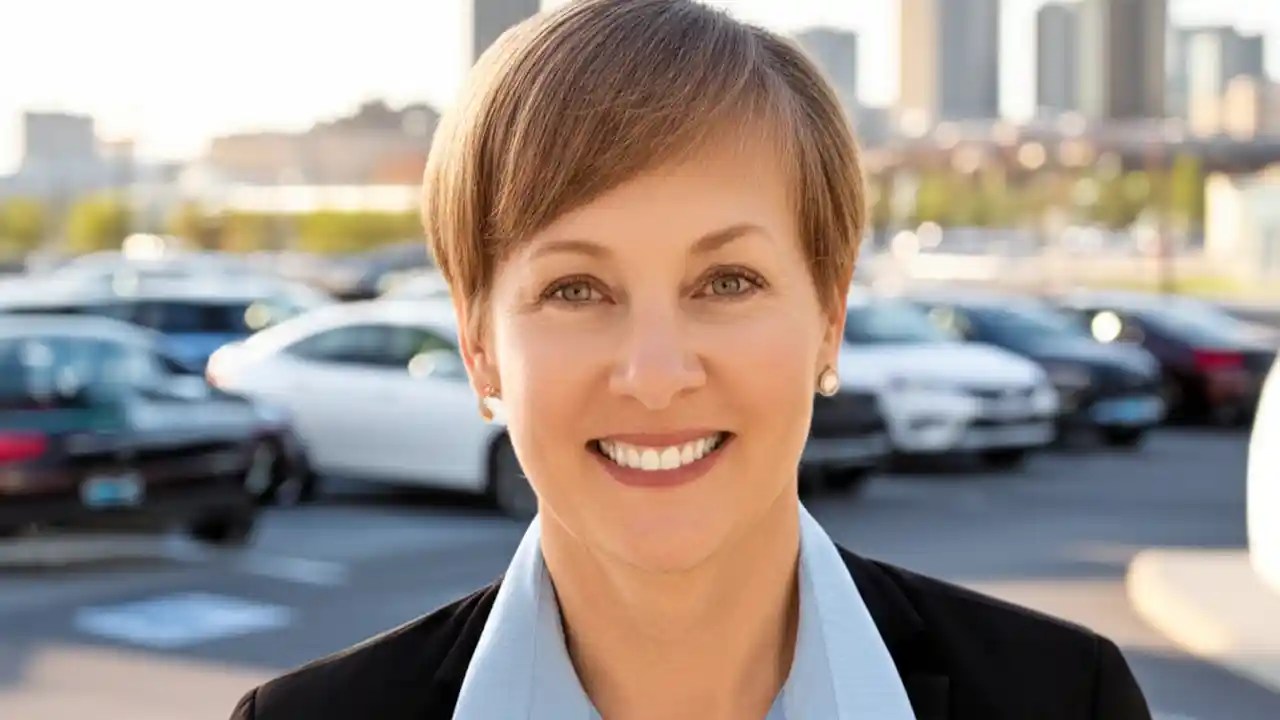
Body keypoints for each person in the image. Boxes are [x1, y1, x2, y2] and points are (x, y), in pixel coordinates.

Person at [229, 1, 1153, 718]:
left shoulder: (1064, 702)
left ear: (828, 321)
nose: (656, 373)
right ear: (479, 349)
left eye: (727, 282)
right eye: (576, 290)